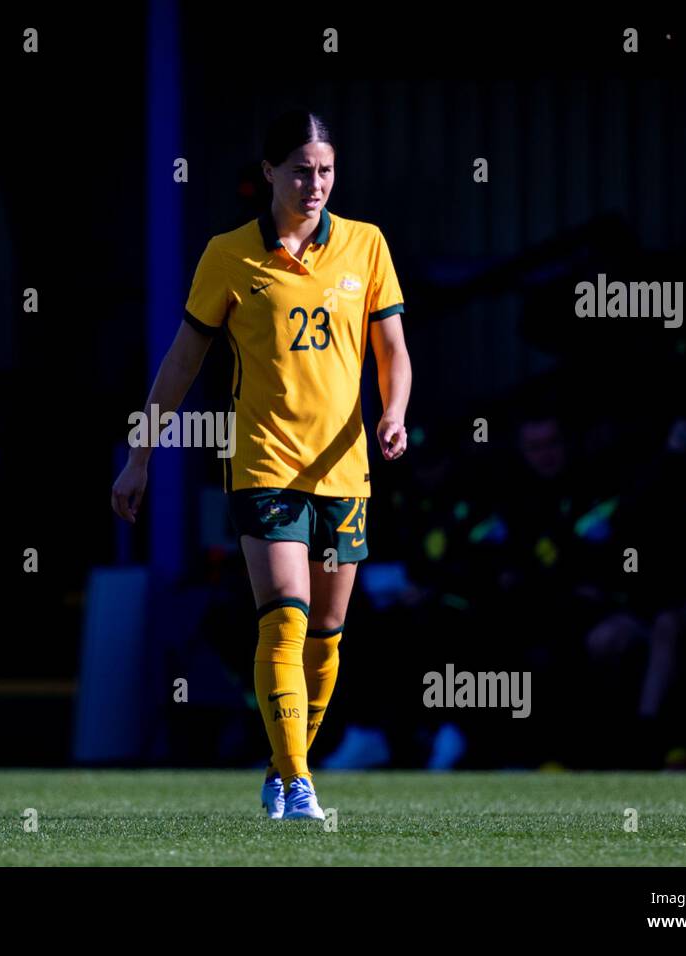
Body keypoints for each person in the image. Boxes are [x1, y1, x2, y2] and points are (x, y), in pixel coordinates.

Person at [112, 110, 412, 818]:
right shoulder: (228, 254)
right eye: (302, 169)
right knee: (285, 619)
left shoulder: (366, 246)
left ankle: (285, 767)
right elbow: (183, 361)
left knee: (328, 637)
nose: (316, 183)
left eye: (327, 170)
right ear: (269, 171)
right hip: (264, 465)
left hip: (344, 470)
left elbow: (393, 350)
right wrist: (140, 456)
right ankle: (300, 783)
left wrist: (394, 412)